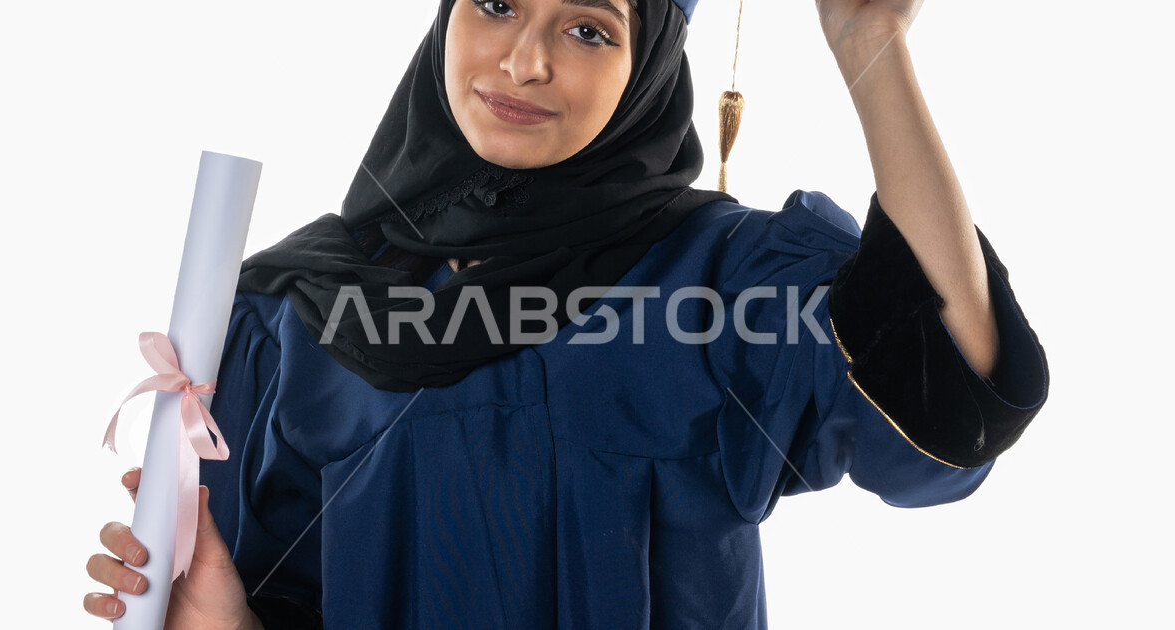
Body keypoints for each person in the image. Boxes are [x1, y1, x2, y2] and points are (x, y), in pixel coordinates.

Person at [84, 0, 1050, 628]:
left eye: (588, 28)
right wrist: (221, 617)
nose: (525, 60)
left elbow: (951, 390)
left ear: (650, 63)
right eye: (496, 4)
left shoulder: (719, 286)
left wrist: (869, 44)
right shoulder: (291, 313)